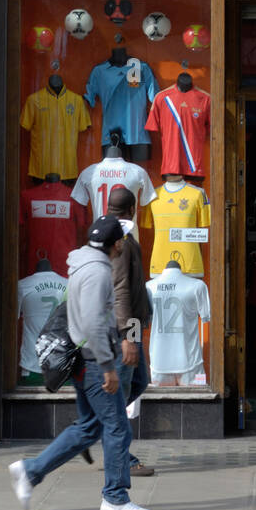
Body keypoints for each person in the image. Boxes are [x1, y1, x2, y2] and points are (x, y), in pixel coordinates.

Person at [9, 215, 153, 510]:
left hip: (84, 360)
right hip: (93, 362)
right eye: (121, 240)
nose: (122, 245)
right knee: (117, 428)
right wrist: (108, 367)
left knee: (89, 428)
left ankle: (31, 471)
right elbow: (92, 321)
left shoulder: (81, 264)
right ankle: (115, 498)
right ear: (115, 244)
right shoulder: (99, 273)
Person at [106, 183, 154, 477]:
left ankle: (90, 430)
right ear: (132, 209)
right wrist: (128, 337)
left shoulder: (119, 235)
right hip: (124, 330)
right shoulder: (121, 239)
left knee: (140, 382)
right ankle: (122, 457)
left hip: (130, 327)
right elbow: (121, 289)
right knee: (121, 393)